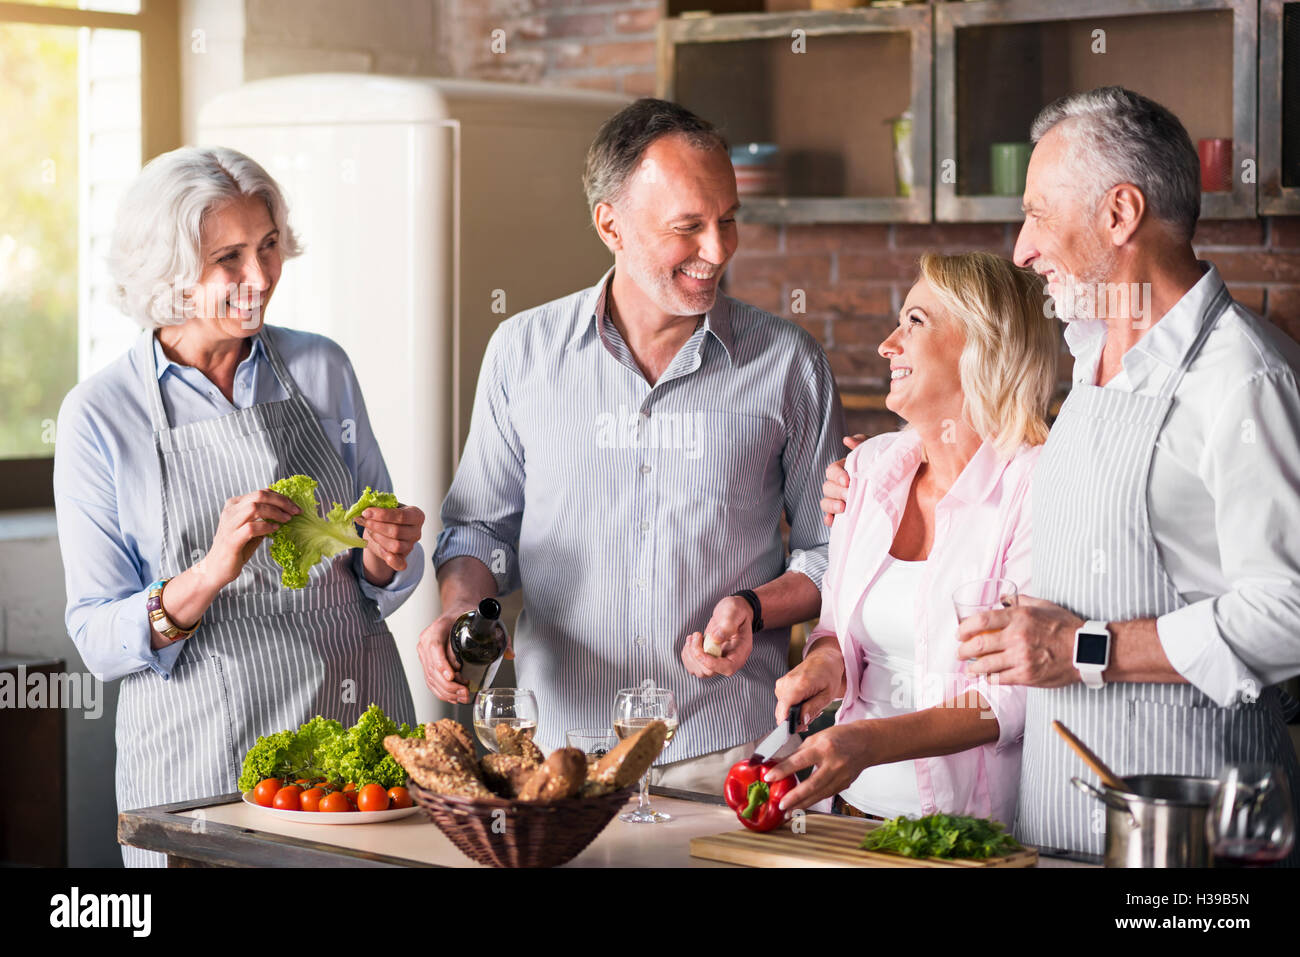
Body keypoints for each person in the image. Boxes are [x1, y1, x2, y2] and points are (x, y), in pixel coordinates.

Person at [827, 87, 1300, 859]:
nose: (1021, 248)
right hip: (1057, 824)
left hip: (1187, 830)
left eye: (1038, 215)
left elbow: (1290, 609)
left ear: (1119, 215)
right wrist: (873, 482)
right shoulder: (1090, 364)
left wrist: (1086, 647)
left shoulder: (1244, 379)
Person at [417, 99, 844, 792]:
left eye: (728, 220)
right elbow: (480, 529)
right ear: (609, 223)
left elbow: (834, 553)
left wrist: (756, 606)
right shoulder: (522, 353)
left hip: (727, 749)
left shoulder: (788, 363)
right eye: (689, 227)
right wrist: (459, 608)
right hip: (559, 756)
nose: (719, 250)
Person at [54, 147, 426, 867]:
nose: (260, 278)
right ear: (167, 270)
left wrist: (386, 559)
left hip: (350, 759)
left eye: (268, 245)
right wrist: (209, 572)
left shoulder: (322, 368)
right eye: (229, 257)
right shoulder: (100, 415)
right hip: (202, 767)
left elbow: (381, 584)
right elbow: (98, 638)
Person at [763, 253, 1058, 826]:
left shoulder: (1034, 484)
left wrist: (872, 742)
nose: (888, 343)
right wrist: (824, 664)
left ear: (982, 343)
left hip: (964, 831)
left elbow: (1015, 697)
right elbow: (835, 630)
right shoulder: (868, 469)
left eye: (915, 322)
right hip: (844, 808)